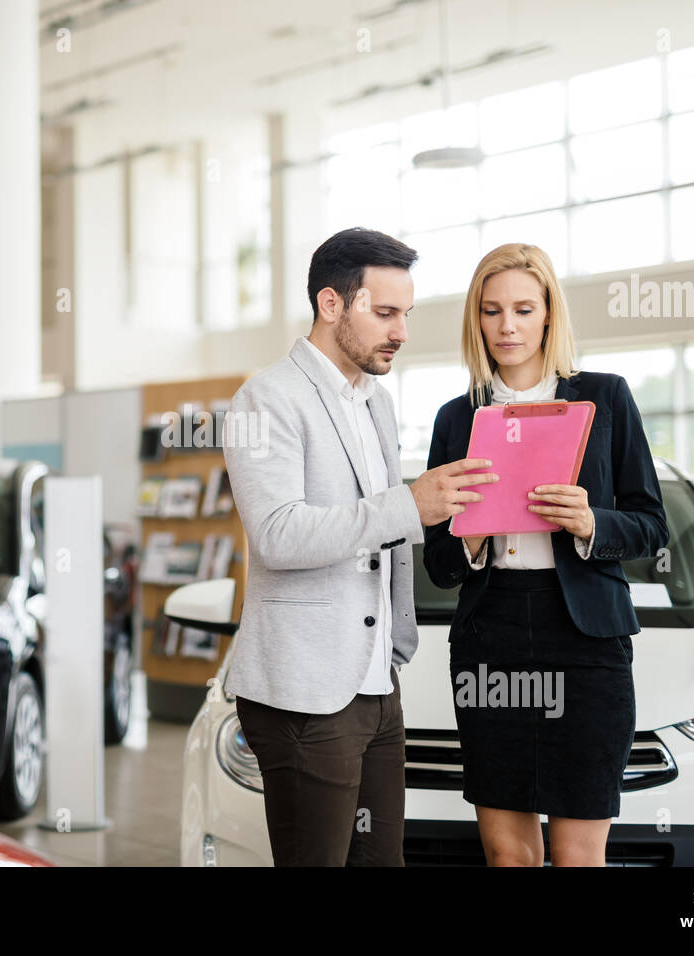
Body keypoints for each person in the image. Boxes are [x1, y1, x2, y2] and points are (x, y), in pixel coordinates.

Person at [222, 227, 495, 866]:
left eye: (406, 314)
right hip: (305, 691)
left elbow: (376, 532)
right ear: (332, 305)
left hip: (376, 683)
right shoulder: (267, 398)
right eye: (385, 312)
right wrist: (411, 504)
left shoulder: (376, 402)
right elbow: (278, 534)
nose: (400, 331)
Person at [422, 242, 668, 866]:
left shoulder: (605, 398)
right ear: (475, 320)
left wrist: (590, 522)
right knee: (509, 856)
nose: (507, 326)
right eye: (492, 310)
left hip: (585, 640)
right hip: (491, 636)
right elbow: (437, 565)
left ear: (549, 314)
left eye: (524, 309)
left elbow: (650, 526)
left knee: (579, 856)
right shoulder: (456, 417)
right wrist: (466, 539)